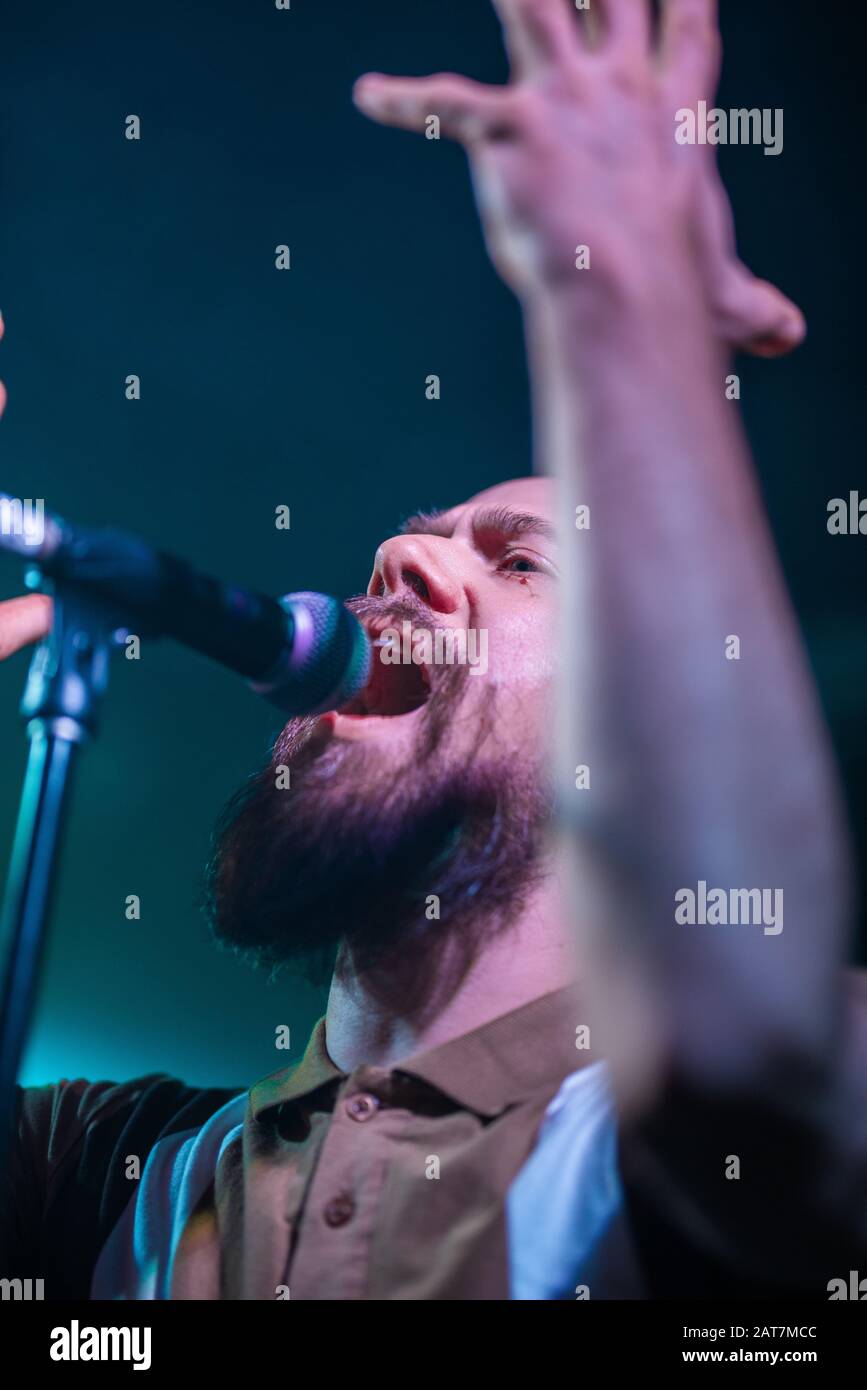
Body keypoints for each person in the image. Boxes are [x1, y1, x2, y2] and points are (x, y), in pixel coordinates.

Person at [1, 0, 864, 1301]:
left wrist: (616, 293)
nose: (399, 566)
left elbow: (760, 1054)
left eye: (517, 561)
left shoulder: (684, 1136)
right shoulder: (98, 1172)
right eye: (408, 544)